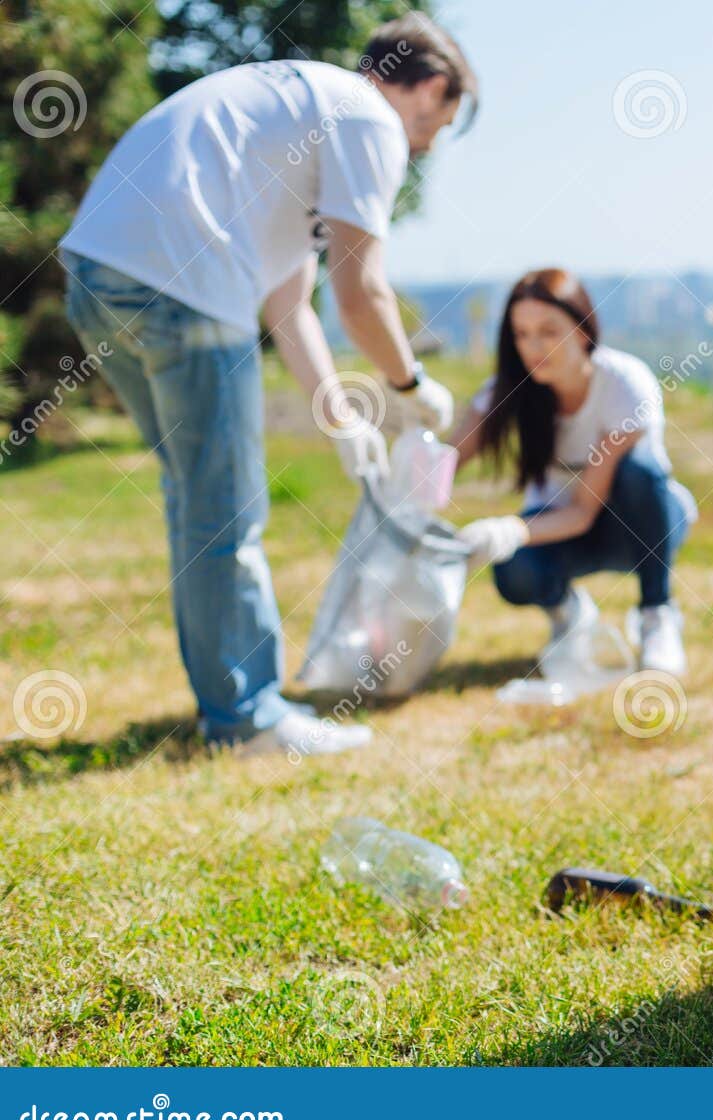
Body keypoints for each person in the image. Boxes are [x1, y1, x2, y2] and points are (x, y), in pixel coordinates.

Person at [57, 15, 474, 758]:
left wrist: (342, 416)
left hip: (96, 274)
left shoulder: (302, 112)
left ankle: (231, 705)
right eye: (441, 125)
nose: (430, 145)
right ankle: (248, 719)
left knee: (199, 499)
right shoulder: (370, 119)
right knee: (225, 510)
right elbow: (362, 293)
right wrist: (409, 385)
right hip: (180, 278)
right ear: (433, 88)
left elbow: (290, 303)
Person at [451, 270, 696, 675]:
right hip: (561, 531)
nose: (533, 347)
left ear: (583, 330)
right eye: (522, 334)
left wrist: (509, 530)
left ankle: (657, 614)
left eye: (548, 331)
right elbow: (449, 459)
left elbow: (584, 512)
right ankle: (570, 617)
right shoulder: (506, 391)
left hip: (640, 527)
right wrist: (416, 451)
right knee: (514, 571)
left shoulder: (624, 386)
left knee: (639, 472)